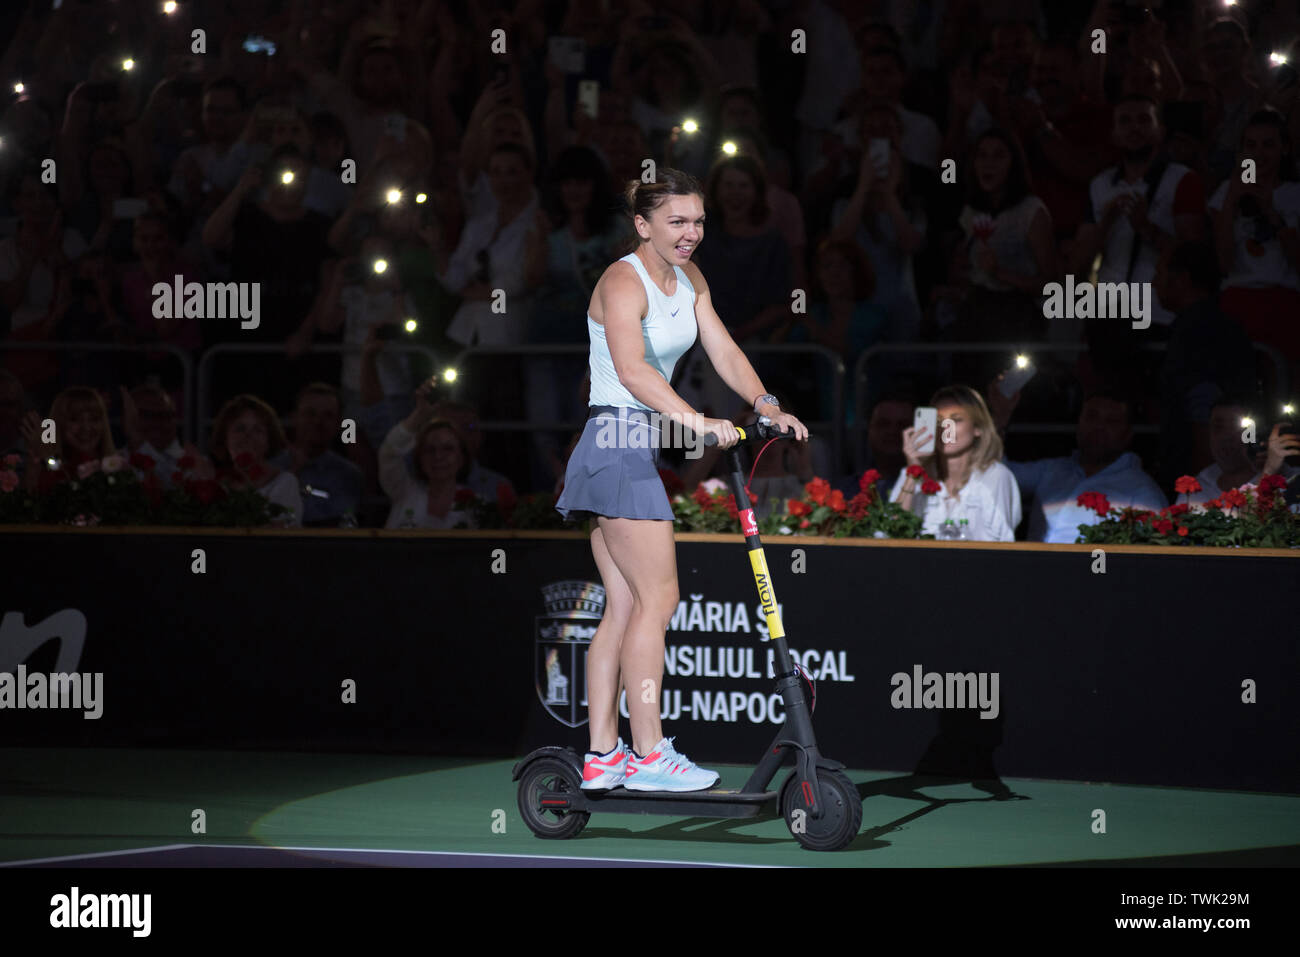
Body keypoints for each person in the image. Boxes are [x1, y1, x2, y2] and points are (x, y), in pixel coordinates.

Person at [555, 169, 808, 792]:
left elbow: (723, 351)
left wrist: (765, 403)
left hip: (633, 446)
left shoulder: (691, 278)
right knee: (657, 601)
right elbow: (632, 370)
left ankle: (602, 756)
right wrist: (696, 421)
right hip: (616, 441)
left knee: (622, 606)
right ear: (643, 226)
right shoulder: (621, 278)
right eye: (677, 222)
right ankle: (648, 755)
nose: (691, 233)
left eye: (697, 221)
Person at [988, 386, 1167, 543]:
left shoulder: (1142, 492)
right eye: (1092, 416)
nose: (1099, 427)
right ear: (1078, 422)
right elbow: (995, 477)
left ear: (1128, 434)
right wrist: (998, 420)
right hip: (1030, 574)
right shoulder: (1053, 470)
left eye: (1112, 421)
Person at [891, 385, 1022, 542]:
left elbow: (1002, 546)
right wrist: (913, 473)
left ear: (978, 428)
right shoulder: (913, 474)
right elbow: (891, 537)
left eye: (955, 420)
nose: (946, 429)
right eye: (938, 421)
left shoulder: (995, 475)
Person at [378, 381, 478, 530]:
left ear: (461, 457)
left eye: (448, 449)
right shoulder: (403, 490)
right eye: (430, 449)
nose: (438, 456)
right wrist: (419, 415)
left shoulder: (476, 505)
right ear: (419, 457)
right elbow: (389, 453)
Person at [207, 394, 302, 527]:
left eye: (258, 430)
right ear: (224, 437)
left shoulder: (285, 483)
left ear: (269, 441)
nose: (248, 436)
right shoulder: (213, 486)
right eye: (240, 429)